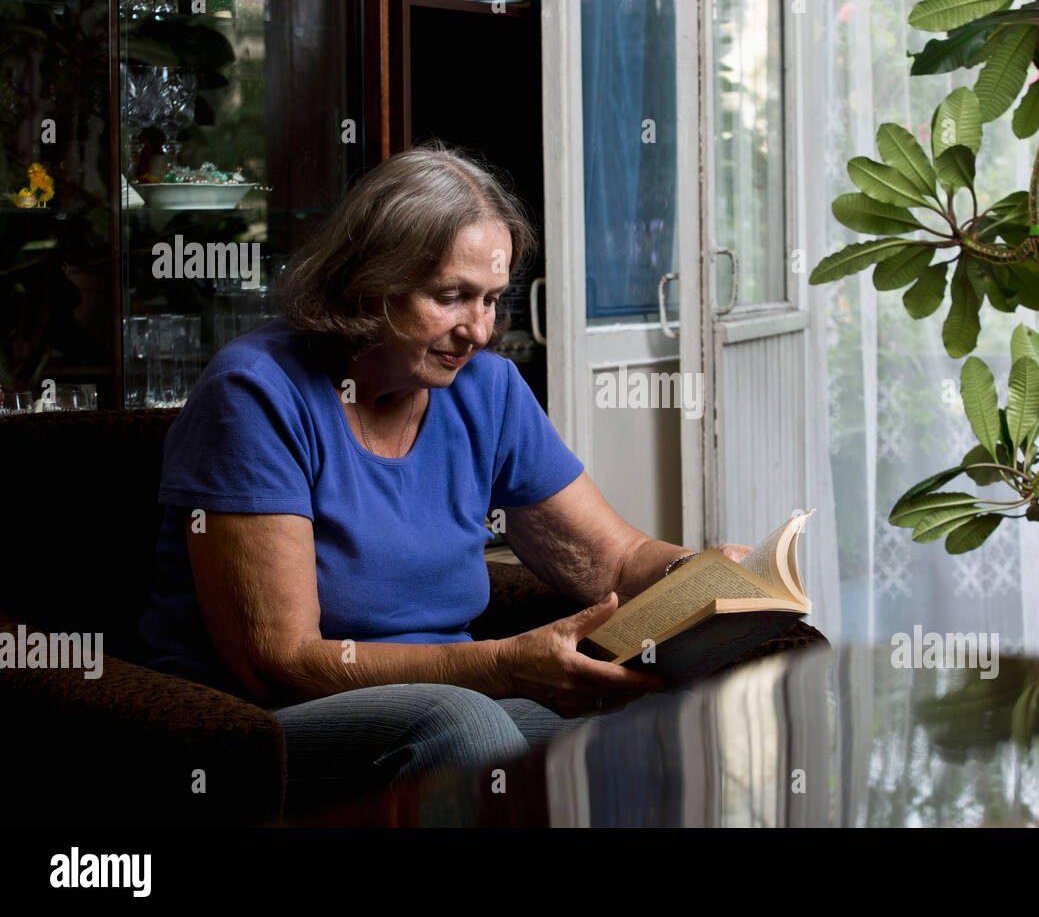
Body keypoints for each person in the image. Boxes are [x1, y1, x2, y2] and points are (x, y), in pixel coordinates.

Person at [137, 146, 751, 815]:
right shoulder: (255, 396)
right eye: (452, 297)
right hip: (260, 725)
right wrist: (500, 666)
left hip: (456, 704)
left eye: (491, 299)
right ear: (370, 282)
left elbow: (612, 557)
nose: (481, 331)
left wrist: (703, 579)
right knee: (463, 729)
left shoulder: (486, 390)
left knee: (658, 720)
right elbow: (280, 661)